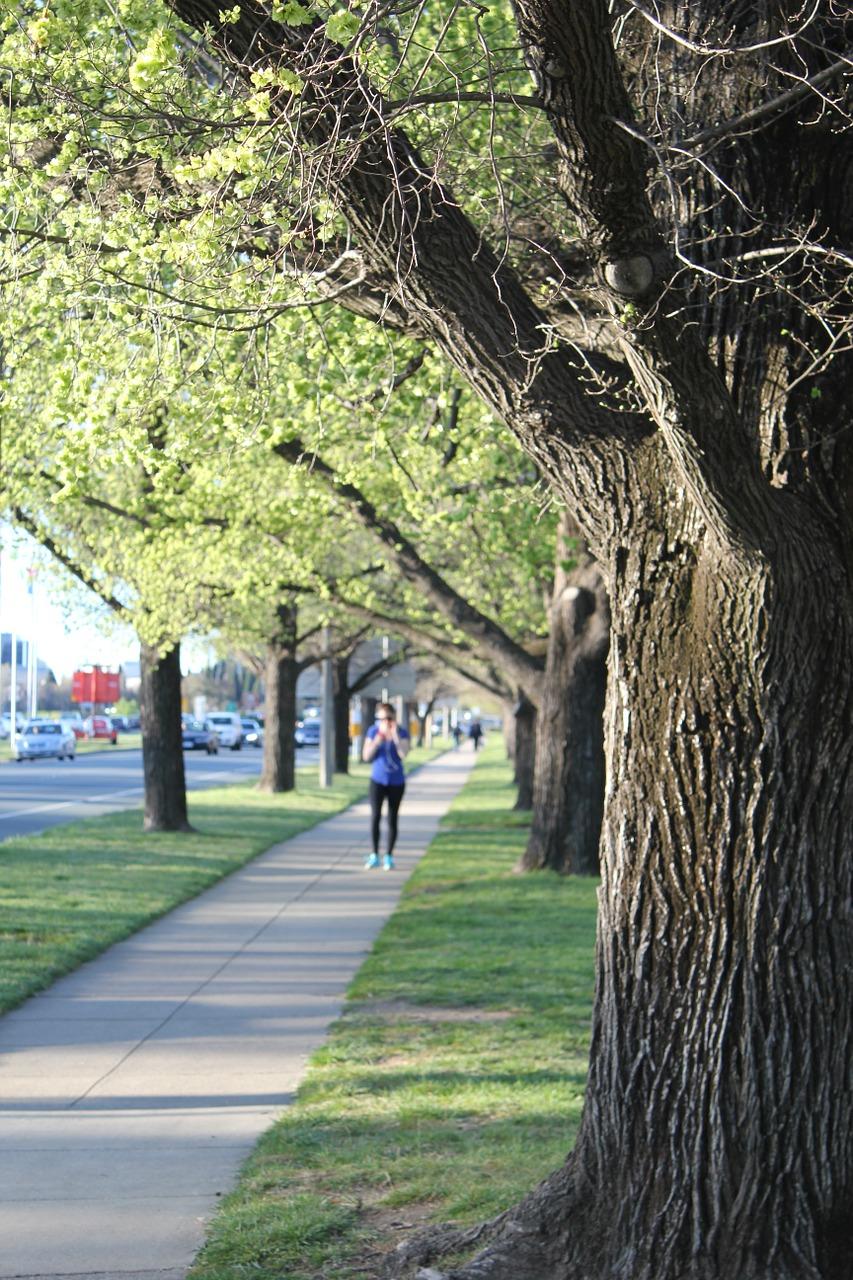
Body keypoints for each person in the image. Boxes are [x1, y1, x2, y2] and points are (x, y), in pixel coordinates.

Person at [362, 703, 410, 870]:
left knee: (392, 819)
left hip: (396, 781)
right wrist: (378, 740)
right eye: (381, 718)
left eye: (388, 718)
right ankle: (374, 854)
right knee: (375, 817)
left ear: (394, 718)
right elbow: (366, 756)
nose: (385, 721)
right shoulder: (373, 732)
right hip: (377, 780)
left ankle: (389, 856)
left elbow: (404, 754)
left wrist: (395, 736)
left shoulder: (402, 732)